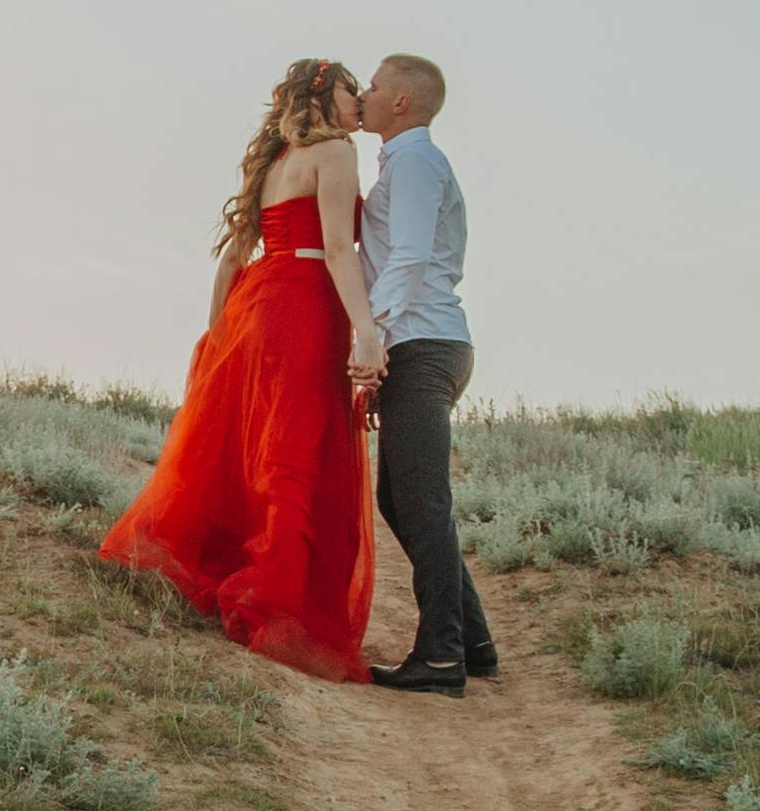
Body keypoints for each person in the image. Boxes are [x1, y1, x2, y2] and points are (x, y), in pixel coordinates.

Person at [96, 56, 384, 679]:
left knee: (252, 442)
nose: (359, 99)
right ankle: (276, 597)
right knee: (294, 446)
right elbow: (338, 249)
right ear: (321, 97)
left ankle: (239, 570)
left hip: (257, 302)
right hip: (305, 303)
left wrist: (215, 332)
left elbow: (230, 260)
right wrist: (366, 331)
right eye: (349, 89)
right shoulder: (334, 154)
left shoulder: (274, 162)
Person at [354, 54, 496, 697]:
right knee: (406, 498)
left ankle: (440, 659)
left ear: (402, 102)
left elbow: (408, 256)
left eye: (376, 85)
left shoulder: (413, 162)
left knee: (420, 500)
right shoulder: (406, 162)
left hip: (422, 343)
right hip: (432, 343)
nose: (365, 92)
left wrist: (371, 338)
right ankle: (472, 642)